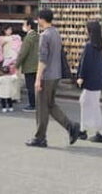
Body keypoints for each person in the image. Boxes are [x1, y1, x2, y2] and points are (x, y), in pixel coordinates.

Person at [25, 8, 80, 148]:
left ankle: (40, 137)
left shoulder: (44, 36)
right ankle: (70, 126)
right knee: (50, 105)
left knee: (41, 107)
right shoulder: (55, 32)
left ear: (41, 19)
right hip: (55, 74)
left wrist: (37, 79)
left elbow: (42, 59)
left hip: (46, 75)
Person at [76, 21, 102, 143]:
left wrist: (81, 76)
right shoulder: (99, 45)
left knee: (93, 106)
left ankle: (101, 133)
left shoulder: (89, 46)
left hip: (91, 81)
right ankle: (83, 129)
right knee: (85, 102)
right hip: (97, 80)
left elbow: (85, 62)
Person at [15, 17, 39, 112]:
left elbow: (23, 53)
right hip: (38, 65)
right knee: (37, 86)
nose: (23, 26)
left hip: (29, 65)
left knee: (30, 86)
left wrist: (17, 64)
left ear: (29, 26)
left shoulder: (28, 38)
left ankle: (32, 105)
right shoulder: (38, 36)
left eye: (24, 24)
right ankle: (38, 104)